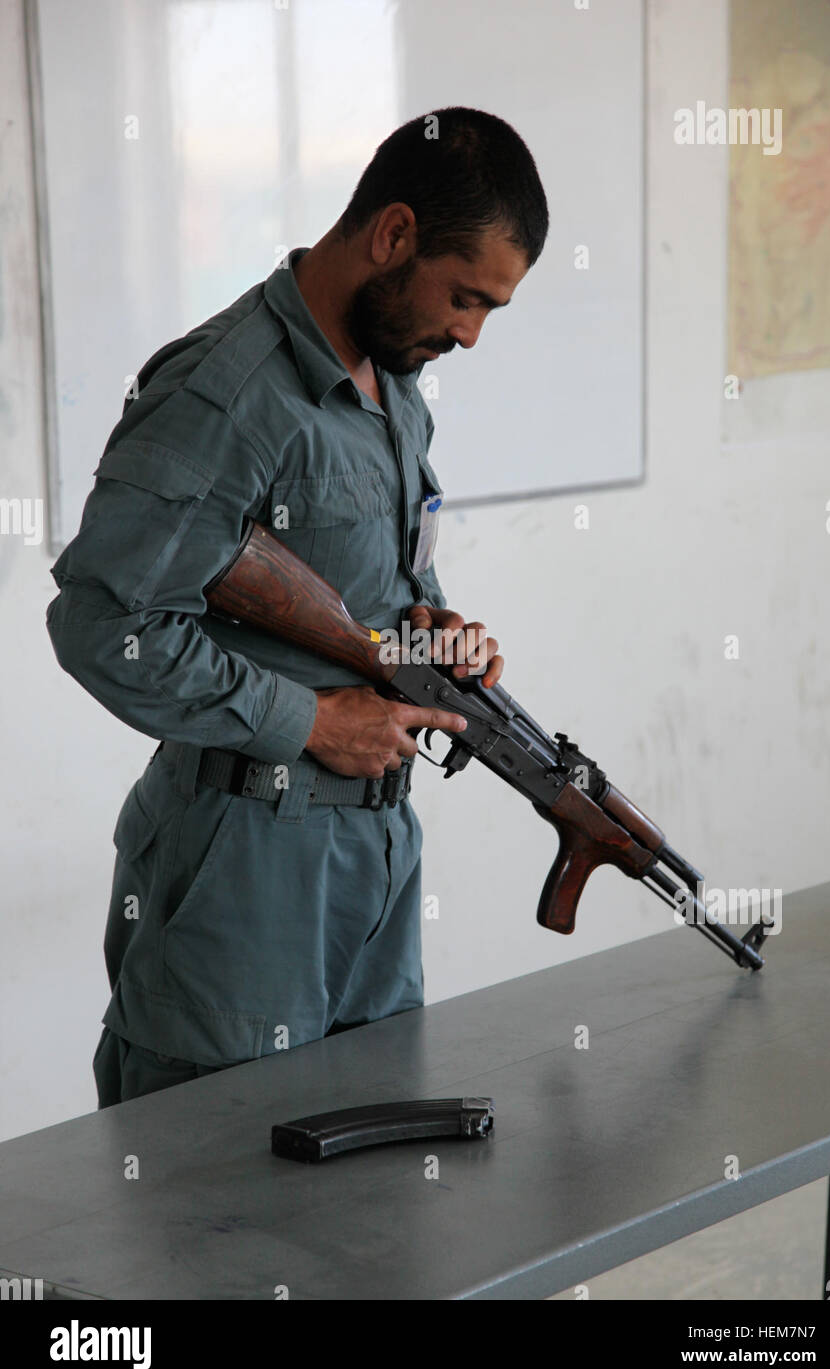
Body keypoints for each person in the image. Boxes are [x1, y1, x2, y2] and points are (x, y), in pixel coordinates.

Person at [46, 106, 549, 1107]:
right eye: (464, 296)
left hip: (372, 861)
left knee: (365, 1210)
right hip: (240, 867)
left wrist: (432, 633)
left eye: (489, 308)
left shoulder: (393, 382)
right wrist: (310, 720)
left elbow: (376, 588)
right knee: (213, 1217)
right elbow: (105, 623)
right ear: (393, 234)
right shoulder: (223, 391)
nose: (469, 332)